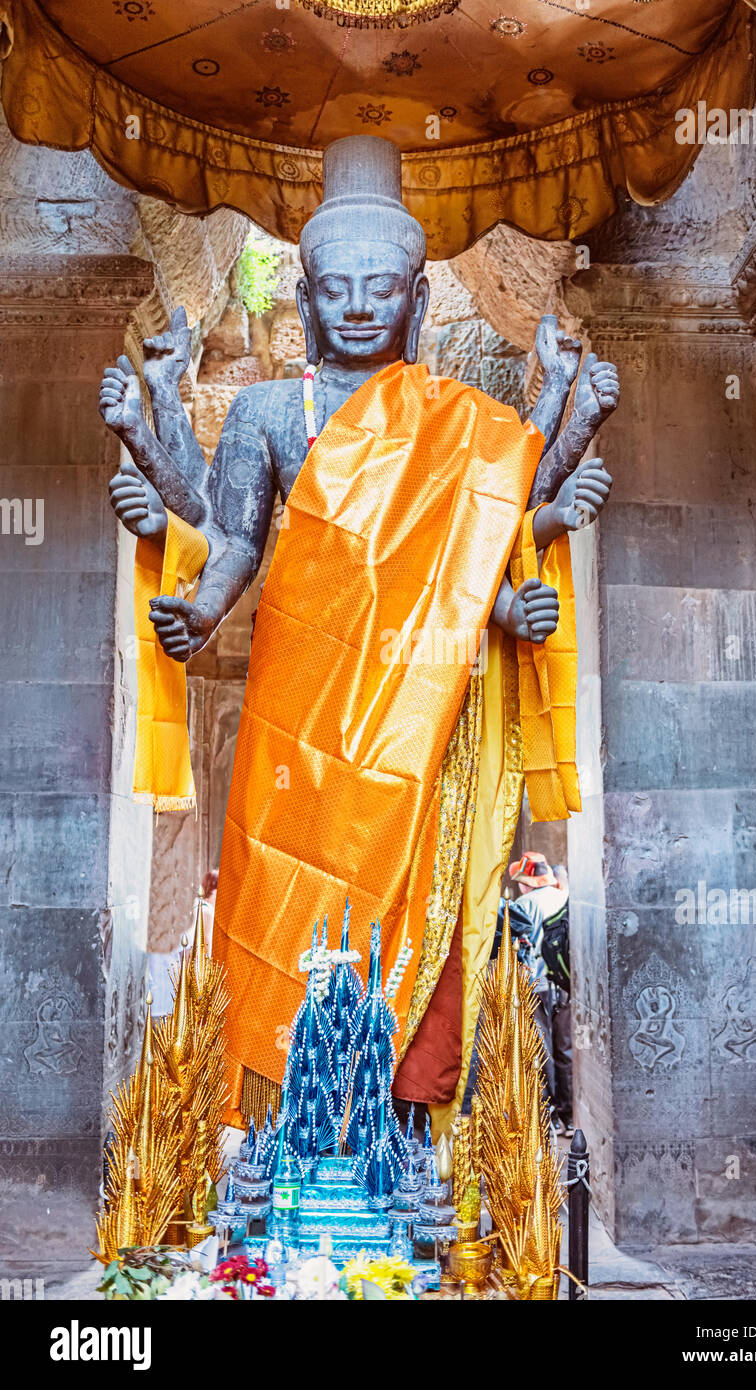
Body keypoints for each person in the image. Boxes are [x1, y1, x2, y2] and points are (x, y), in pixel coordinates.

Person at [99, 135, 618, 1128]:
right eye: (336, 287)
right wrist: (197, 613)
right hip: (299, 713)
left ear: (420, 304)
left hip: (411, 724)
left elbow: (473, 547)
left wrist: (521, 580)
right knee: (280, 919)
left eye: (384, 287)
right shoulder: (264, 410)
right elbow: (235, 542)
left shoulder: (457, 415)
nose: (360, 306)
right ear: (303, 301)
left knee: (410, 923)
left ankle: (406, 1141)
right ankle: (268, 1147)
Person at [502, 852, 573, 1133]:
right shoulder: (563, 897)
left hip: (537, 986)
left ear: (526, 883)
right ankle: (569, 1116)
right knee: (565, 1050)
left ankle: (550, 1116)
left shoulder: (525, 903)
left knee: (540, 1050)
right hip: (565, 985)